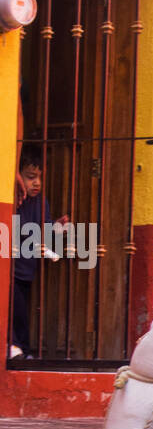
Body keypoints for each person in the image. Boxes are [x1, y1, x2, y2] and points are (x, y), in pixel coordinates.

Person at [10, 148, 66, 357]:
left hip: (27, 268)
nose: (37, 183)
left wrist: (58, 226)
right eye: (31, 177)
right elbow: (19, 228)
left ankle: (21, 349)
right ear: (18, 176)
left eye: (39, 178)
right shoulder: (16, 199)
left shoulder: (42, 202)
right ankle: (17, 348)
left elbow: (46, 226)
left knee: (22, 311)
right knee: (14, 310)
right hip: (13, 266)